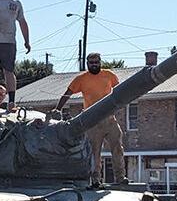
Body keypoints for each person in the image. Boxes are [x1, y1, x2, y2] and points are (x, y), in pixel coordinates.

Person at [53, 52, 126, 186]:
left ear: (100, 62)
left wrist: (120, 105)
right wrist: (58, 109)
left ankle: (121, 177)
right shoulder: (81, 79)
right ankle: (96, 179)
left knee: (117, 147)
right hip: (92, 120)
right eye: (91, 63)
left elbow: (120, 91)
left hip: (109, 118)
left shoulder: (109, 75)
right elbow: (67, 94)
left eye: (96, 62)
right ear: (87, 64)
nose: (94, 65)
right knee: (94, 152)